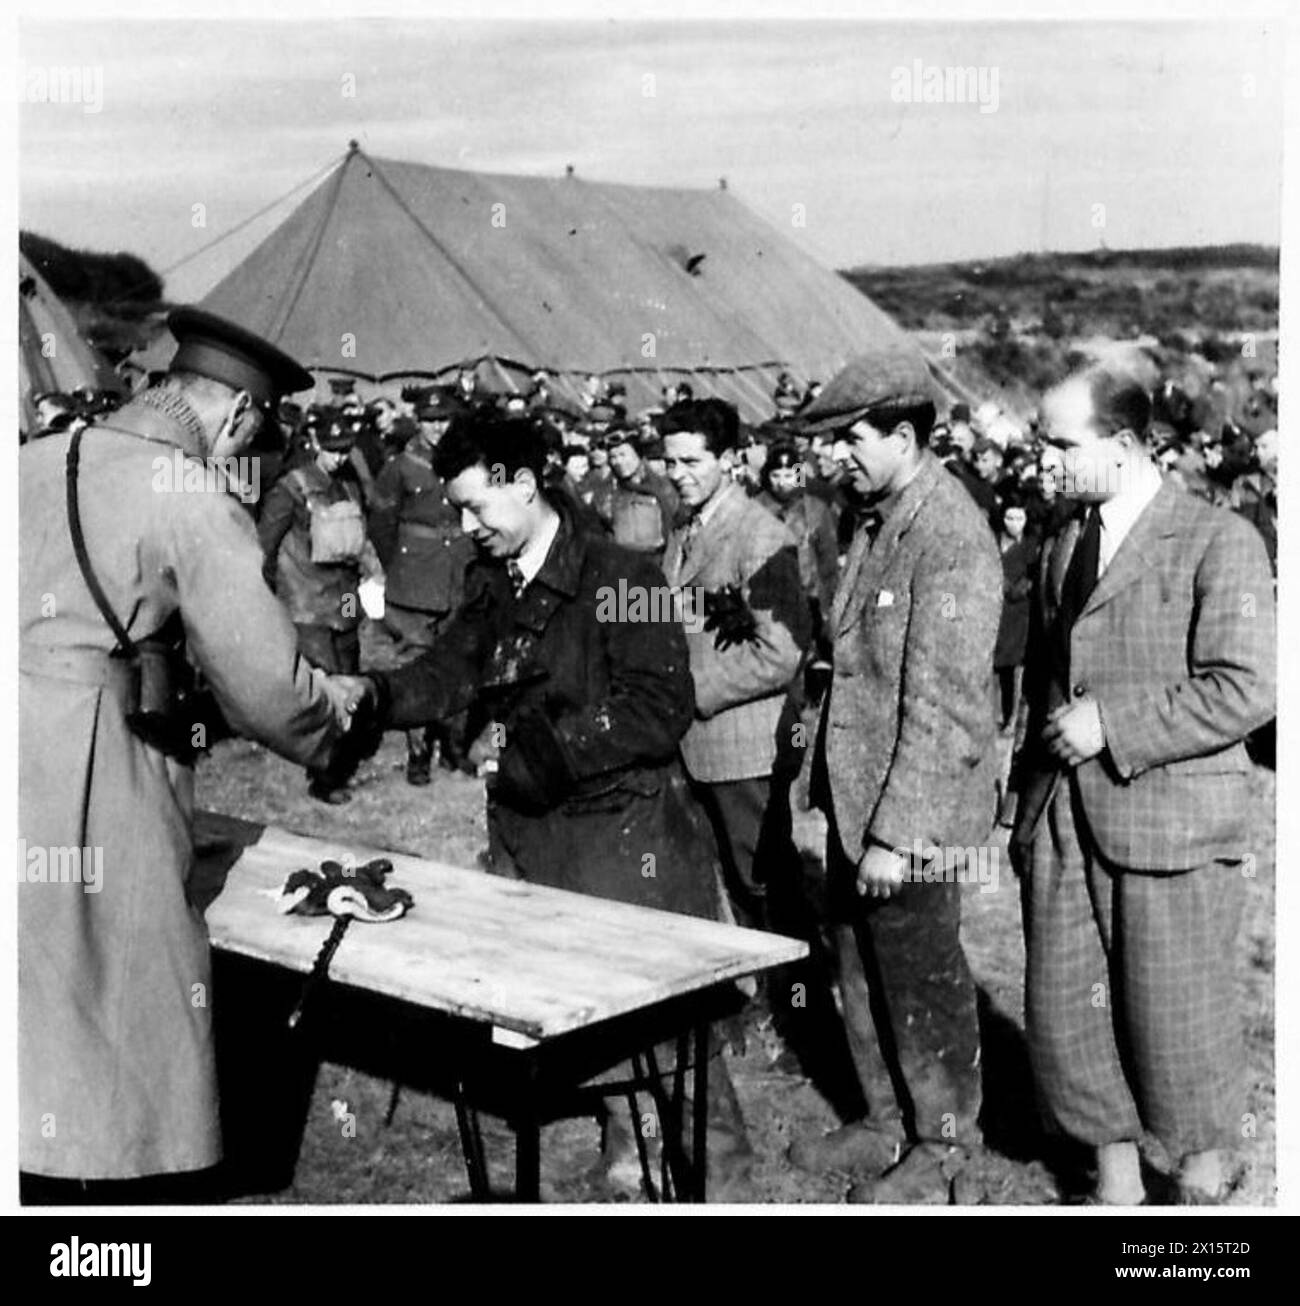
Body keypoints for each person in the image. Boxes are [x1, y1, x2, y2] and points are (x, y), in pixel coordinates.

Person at [334, 410, 754, 1197]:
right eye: (454, 509)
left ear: (524, 486)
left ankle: (723, 1188)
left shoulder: (625, 576)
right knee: (582, 1014)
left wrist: (539, 752)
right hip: (532, 836)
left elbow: (658, 705)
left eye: (475, 506)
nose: (464, 525)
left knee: (668, 1035)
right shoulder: (489, 579)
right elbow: (451, 671)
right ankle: (629, 1152)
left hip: (622, 840)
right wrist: (378, 694)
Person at [19, 307, 353, 1202]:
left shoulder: (31, 460)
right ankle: (104, 1201)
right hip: (94, 755)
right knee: (118, 982)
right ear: (239, 417)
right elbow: (269, 687)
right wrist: (333, 719)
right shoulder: (187, 491)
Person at [1012, 366, 1276, 1206]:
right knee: (1069, 1018)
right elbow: (1047, 686)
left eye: (1062, 446)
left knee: (1176, 1019)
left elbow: (1247, 688)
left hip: (1171, 827)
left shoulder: (1217, 540)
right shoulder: (1062, 545)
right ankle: (1114, 1186)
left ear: (1122, 446)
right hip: (1065, 819)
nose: (1046, 464)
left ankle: (1203, 1193)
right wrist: (1024, 811)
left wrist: (1115, 724)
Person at [788, 346, 1002, 1204]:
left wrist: (895, 836)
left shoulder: (949, 536)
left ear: (907, 436)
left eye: (852, 438)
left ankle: (943, 1145)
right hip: (859, 802)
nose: (835, 455)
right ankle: (885, 1120)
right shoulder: (877, 518)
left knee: (921, 979)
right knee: (859, 967)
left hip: (911, 817)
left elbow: (947, 705)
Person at [660, 399, 810, 938]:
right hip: (695, 745)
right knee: (717, 883)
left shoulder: (761, 535)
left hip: (746, 749)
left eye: (692, 462)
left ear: (729, 459)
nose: (677, 475)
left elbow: (782, 652)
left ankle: (799, 1004)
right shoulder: (685, 526)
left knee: (765, 884)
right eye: (670, 462)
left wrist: (691, 690)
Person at [258, 415, 380, 803]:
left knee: (349, 675)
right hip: (306, 601)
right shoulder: (290, 489)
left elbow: (361, 537)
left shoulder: (348, 485)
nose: (340, 457)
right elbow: (266, 545)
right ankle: (325, 775)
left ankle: (338, 755)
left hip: (343, 598)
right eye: (333, 449)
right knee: (323, 685)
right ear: (314, 442)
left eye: (346, 449)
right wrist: (266, 597)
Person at [369, 392, 475, 784]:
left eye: (444, 420)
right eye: (430, 420)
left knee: (459, 663)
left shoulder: (466, 462)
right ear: (417, 422)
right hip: (413, 580)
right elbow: (381, 524)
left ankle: (454, 748)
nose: (437, 428)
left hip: (457, 575)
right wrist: (398, 567)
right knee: (416, 667)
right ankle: (418, 755)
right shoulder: (400, 467)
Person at [604, 426, 680, 562]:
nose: (618, 462)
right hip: (621, 561)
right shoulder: (607, 492)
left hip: (657, 560)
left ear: (638, 455)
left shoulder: (663, 488)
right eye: (613, 457)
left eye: (623, 455)